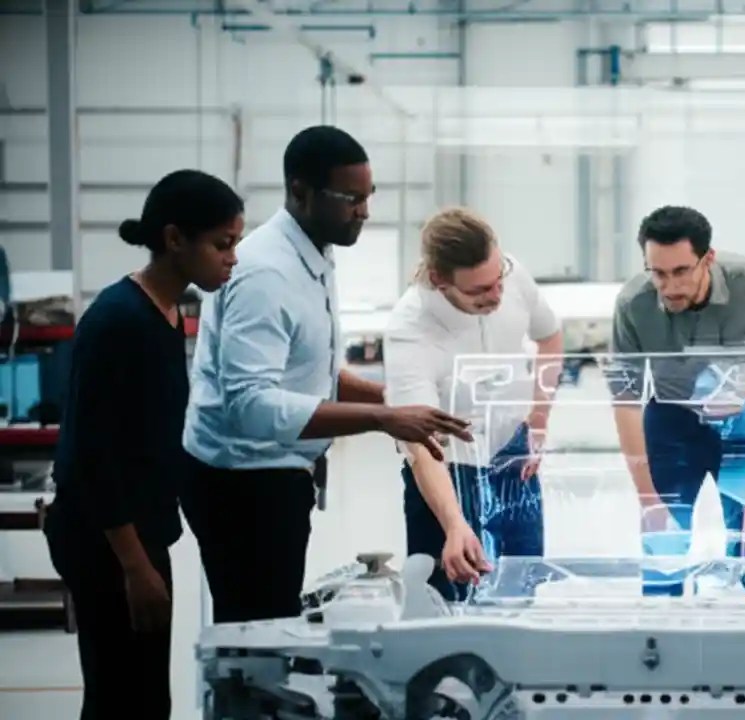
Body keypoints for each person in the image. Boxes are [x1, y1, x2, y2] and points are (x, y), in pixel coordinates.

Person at [181, 126, 472, 624]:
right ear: (301, 191)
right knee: (258, 636)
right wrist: (382, 417)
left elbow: (312, 376)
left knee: (272, 623)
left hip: (275, 476)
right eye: (350, 199)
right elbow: (252, 405)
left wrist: (396, 403)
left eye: (368, 197)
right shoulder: (266, 274)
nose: (364, 211)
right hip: (242, 486)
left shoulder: (314, 252)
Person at [41, 170, 243, 719]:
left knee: (147, 695)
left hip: (138, 531)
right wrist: (134, 565)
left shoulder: (169, 311)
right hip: (108, 538)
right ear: (175, 239)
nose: (232, 258)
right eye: (222, 244)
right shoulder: (118, 321)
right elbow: (93, 454)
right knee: (121, 698)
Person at [383, 207, 564, 601]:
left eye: (497, 279)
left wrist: (538, 418)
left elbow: (550, 337)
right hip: (446, 463)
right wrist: (453, 523)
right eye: (479, 291)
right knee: (447, 597)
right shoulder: (410, 330)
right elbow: (420, 446)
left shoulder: (511, 274)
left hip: (512, 451)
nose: (496, 295)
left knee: (523, 586)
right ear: (439, 280)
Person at [609, 205, 745, 597]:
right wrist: (648, 501)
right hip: (672, 419)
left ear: (708, 258)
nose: (669, 285)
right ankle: (661, 636)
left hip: (743, 419)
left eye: (681, 271)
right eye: (657, 272)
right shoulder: (633, 304)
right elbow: (623, 400)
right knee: (663, 549)